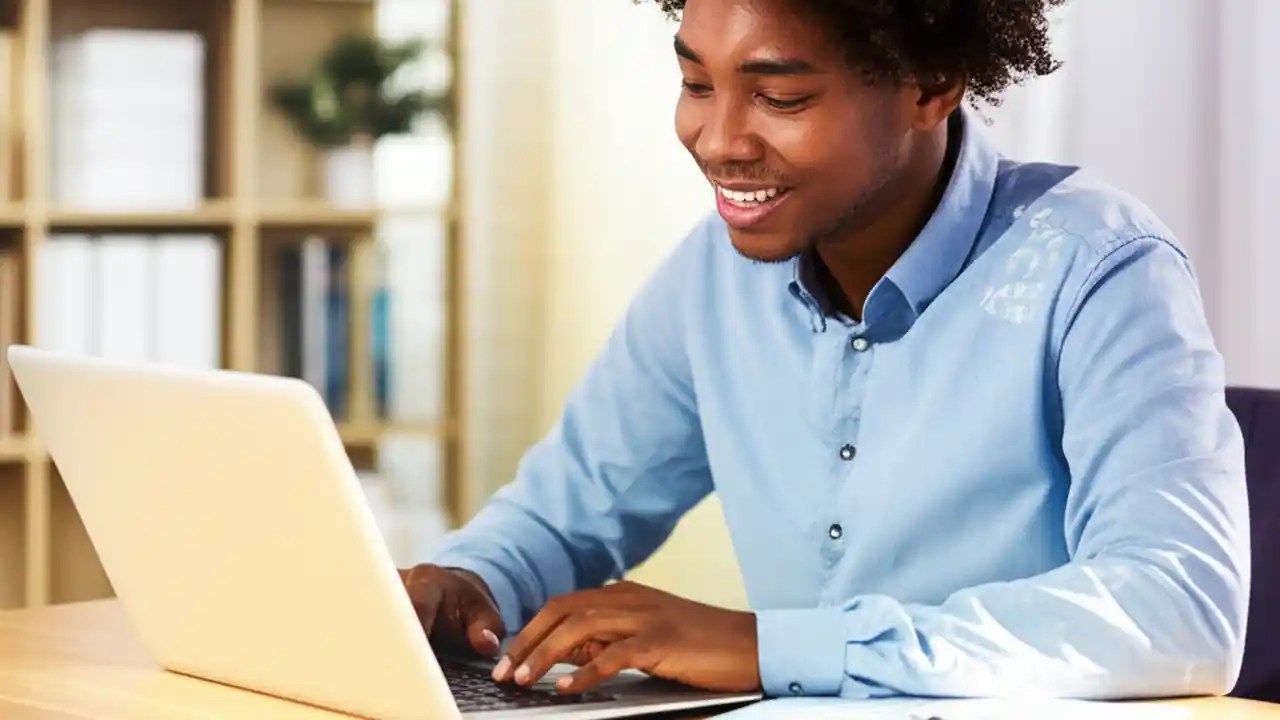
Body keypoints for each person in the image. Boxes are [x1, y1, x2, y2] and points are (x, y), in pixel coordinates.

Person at [398, 0, 1250, 701]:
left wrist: (772, 646)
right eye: (696, 82)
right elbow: (567, 512)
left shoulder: (1098, 265)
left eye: (780, 98)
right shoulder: (715, 276)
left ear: (932, 83)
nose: (719, 139)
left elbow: (1181, 602)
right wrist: (468, 584)